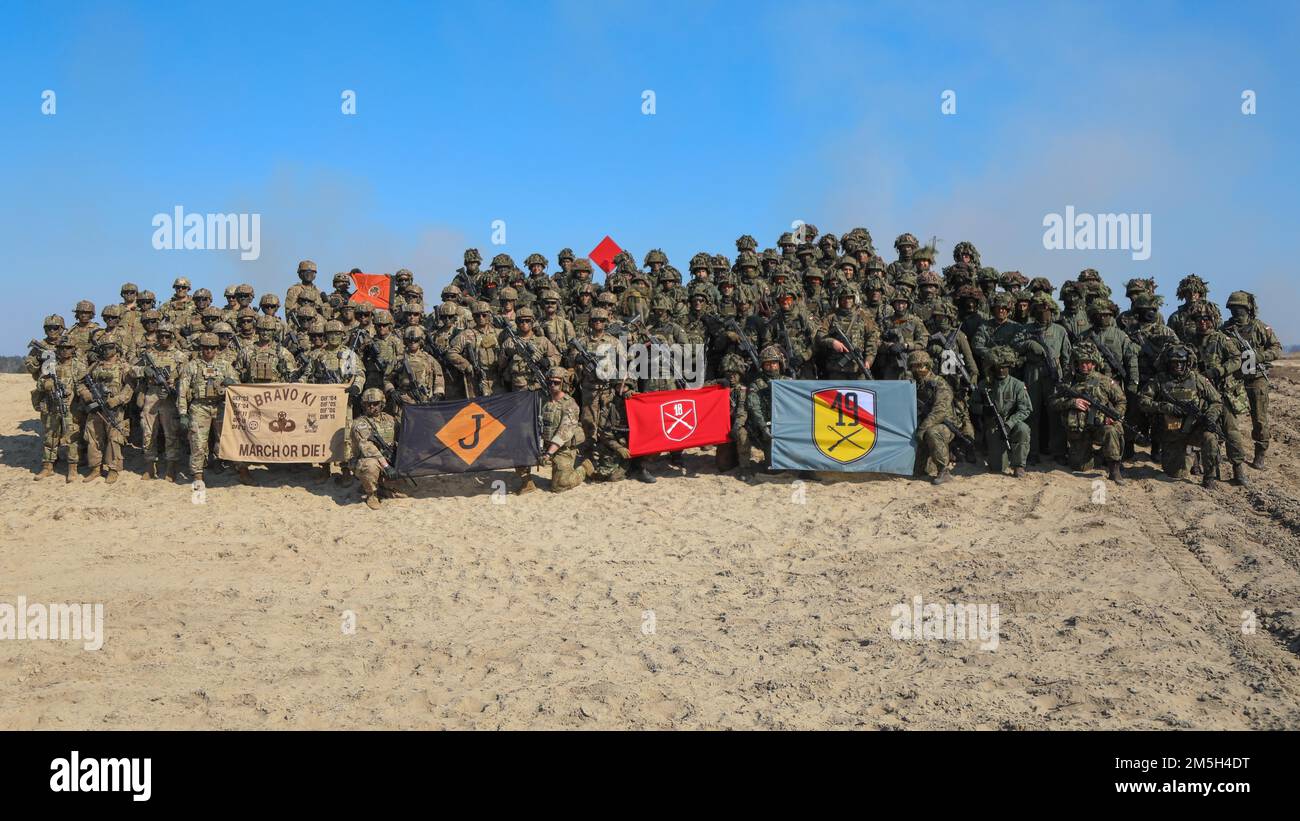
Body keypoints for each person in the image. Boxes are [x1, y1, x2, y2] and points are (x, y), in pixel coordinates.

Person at [1137, 345, 1227, 489]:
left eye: (1181, 362)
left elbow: (1216, 401)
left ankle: (1209, 477)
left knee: (1210, 437)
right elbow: (1142, 401)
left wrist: (1209, 417)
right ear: (1168, 363)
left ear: (1187, 363)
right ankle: (1190, 456)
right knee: (1175, 474)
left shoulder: (1197, 379)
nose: (1178, 365)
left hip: (1194, 430)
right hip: (1171, 434)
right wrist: (1166, 407)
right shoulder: (1160, 380)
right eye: (1174, 362)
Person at [1221, 290, 1281, 469]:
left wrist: (1259, 356)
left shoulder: (1260, 327)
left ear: (1247, 309)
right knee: (1227, 418)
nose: (1235, 312)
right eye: (1232, 308)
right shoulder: (1225, 330)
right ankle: (1231, 452)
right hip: (1234, 379)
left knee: (1260, 418)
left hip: (1256, 379)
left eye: (1239, 308)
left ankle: (1260, 452)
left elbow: (1276, 348)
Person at [1049, 342, 1126, 483]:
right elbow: (1053, 402)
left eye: (1088, 362)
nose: (1084, 366)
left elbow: (1121, 401)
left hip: (1100, 427)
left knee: (1111, 431)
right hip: (1079, 432)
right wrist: (1072, 403)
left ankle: (1115, 470)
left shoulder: (1105, 381)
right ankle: (1099, 456)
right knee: (1080, 467)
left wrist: (1113, 415)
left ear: (1094, 363)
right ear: (1076, 363)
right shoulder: (1068, 383)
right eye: (1081, 362)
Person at [177, 333, 242, 485]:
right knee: (198, 442)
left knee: (225, 439)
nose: (209, 351)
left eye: (212, 348)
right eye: (206, 348)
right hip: (199, 407)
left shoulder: (225, 365)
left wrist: (231, 381)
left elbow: (237, 385)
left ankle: (224, 463)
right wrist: (182, 413)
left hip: (220, 406)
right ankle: (198, 474)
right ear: (201, 348)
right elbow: (182, 391)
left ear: (217, 348)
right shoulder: (192, 366)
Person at [77, 340, 135, 483]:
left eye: (110, 347)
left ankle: (113, 469)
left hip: (114, 409)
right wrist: (86, 394)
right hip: (96, 409)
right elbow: (81, 382)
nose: (107, 350)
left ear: (116, 348)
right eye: (104, 348)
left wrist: (119, 399)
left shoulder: (123, 367)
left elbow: (130, 386)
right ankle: (95, 468)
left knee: (114, 439)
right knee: (93, 438)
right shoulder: (95, 366)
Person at [135, 322, 187, 480]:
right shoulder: (149, 354)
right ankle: (150, 466)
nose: (164, 339)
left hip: (170, 398)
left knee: (171, 433)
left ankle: (171, 466)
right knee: (148, 431)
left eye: (167, 336)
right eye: (161, 336)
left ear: (172, 337)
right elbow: (130, 369)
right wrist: (143, 370)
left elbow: (185, 379)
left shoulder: (179, 356)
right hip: (151, 395)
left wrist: (175, 391)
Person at [970, 345, 1032, 476]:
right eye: (998, 367)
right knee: (997, 469)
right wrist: (983, 410)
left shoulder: (1017, 385)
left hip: (1012, 424)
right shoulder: (984, 384)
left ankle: (1019, 465)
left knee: (1023, 429)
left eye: (1004, 367)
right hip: (993, 426)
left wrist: (1010, 423)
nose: (1001, 370)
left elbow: (1025, 409)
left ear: (1009, 367)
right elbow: (972, 405)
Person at [34, 336, 87, 482]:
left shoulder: (79, 366)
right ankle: (47, 467)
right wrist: (46, 384)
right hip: (52, 407)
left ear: (73, 349)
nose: (65, 351)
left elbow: (85, 385)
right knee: (50, 436)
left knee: (72, 438)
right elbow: (39, 383)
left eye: (68, 348)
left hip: (72, 408)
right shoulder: (50, 365)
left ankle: (72, 468)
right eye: (62, 348)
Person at [351, 388, 404, 510]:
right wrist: (386, 466)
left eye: (375, 403)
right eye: (368, 404)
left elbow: (400, 437)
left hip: (388, 458)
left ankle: (386, 488)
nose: (371, 407)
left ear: (382, 404)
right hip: (367, 460)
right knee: (370, 465)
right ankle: (371, 495)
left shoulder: (390, 419)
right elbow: (368, 448)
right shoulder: (360, 423)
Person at [908, 350, 956, 485]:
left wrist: (922, 428)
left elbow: (939, 411)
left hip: (944, 425)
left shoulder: (940, 384)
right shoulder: (913, 384)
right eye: (914, 366)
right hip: (923, 423)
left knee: (932, 432)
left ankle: (944, 471)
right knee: (917, 470)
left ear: (928, 366)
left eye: (921, 366)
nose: (918, 369)